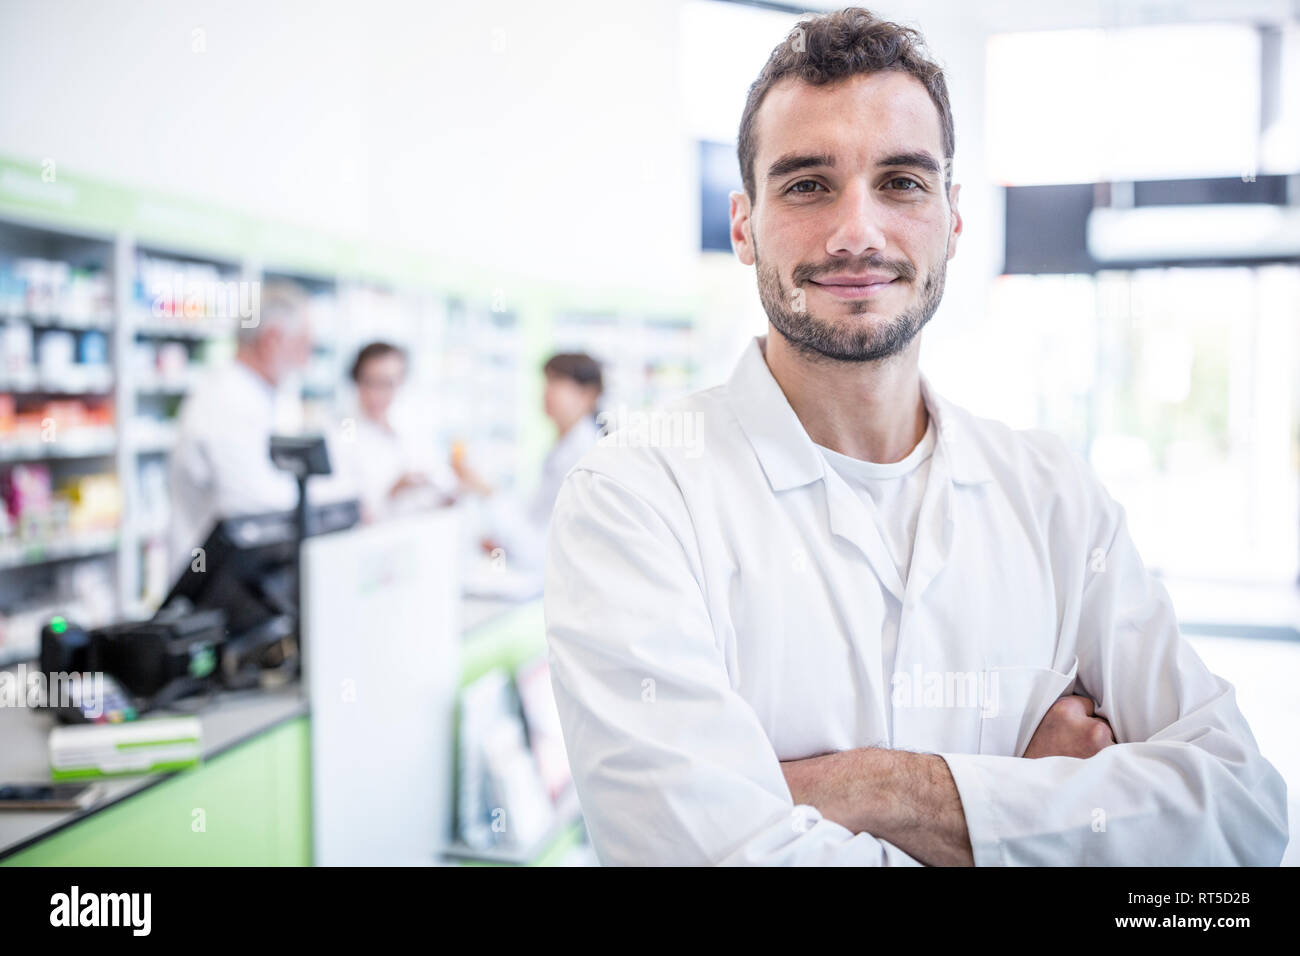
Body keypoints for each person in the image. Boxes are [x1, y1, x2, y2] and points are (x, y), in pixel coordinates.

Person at [543, 8, 1287, 866]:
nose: (856, 232)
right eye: (807, 184)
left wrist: (878, 787)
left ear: (953, 218)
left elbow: (1242, 813)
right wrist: (1030, 803)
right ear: (744, 224)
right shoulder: (634, 500)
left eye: (900, 181)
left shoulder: (1052, 496)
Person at [167, 280, 316, 574]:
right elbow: (254, 504)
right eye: (304, 345)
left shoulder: (266, 395)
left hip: (246, 577)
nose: (307, 360)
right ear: (273, 339)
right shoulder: (224, 401)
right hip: (209, 582)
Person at [453, 353, 603, 572]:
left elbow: (539, 551)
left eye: (558, 383)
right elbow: (534, 520)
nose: (547, 392)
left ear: (588, 395)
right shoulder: (563, 447)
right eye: (547, 382)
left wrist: (487, 492)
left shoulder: (584, 455)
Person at [341, 340, 458, 522]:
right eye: (370, 382)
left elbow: (445, 483)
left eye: (387, 383)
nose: (377, 393)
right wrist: (394, 490)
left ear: (401, 383)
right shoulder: (344, 433)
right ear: (356, 380)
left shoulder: (412, 429)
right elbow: (345, 510)